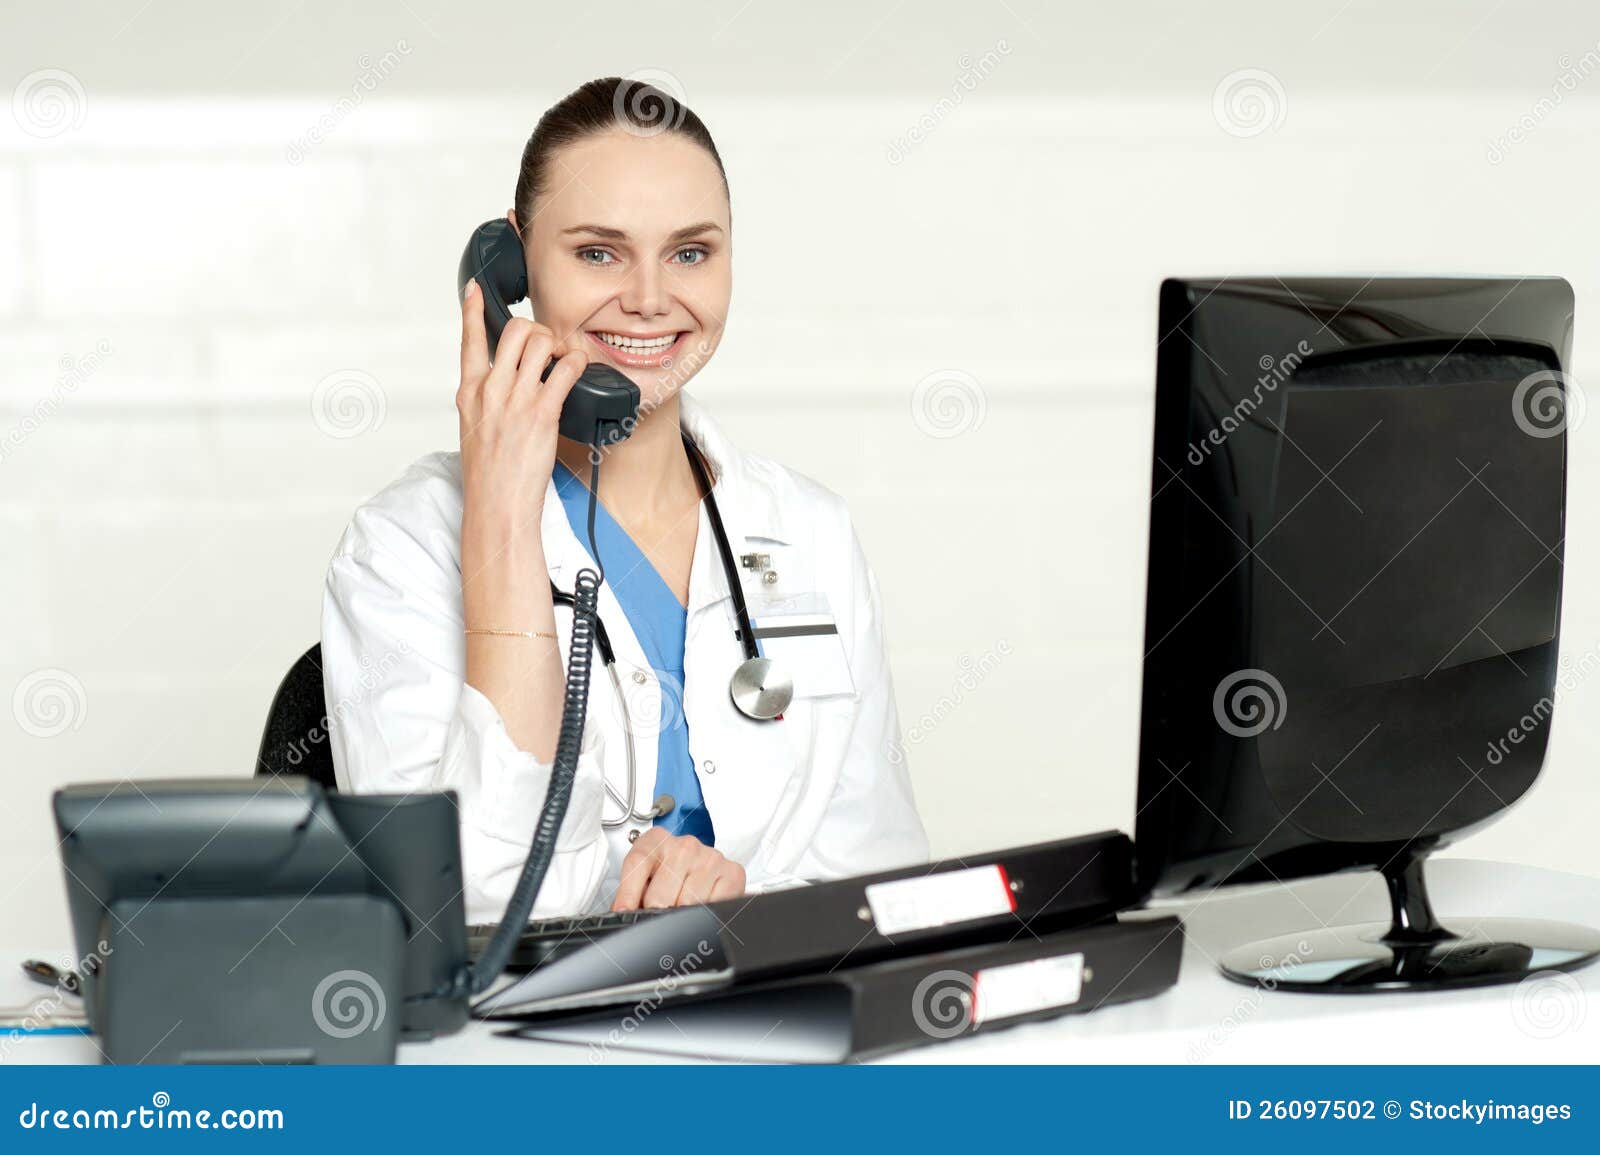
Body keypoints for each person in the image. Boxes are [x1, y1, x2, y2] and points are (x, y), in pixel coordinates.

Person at [321, 77, 928, 927]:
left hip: (786, 1025)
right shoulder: (405, 547)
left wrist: (740, 904)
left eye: (690, 252)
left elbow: (885, 884)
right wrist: (501, 517)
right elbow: (472, 910)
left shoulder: (811, 531)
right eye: (599, 252)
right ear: (511, 268)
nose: (649, 298)